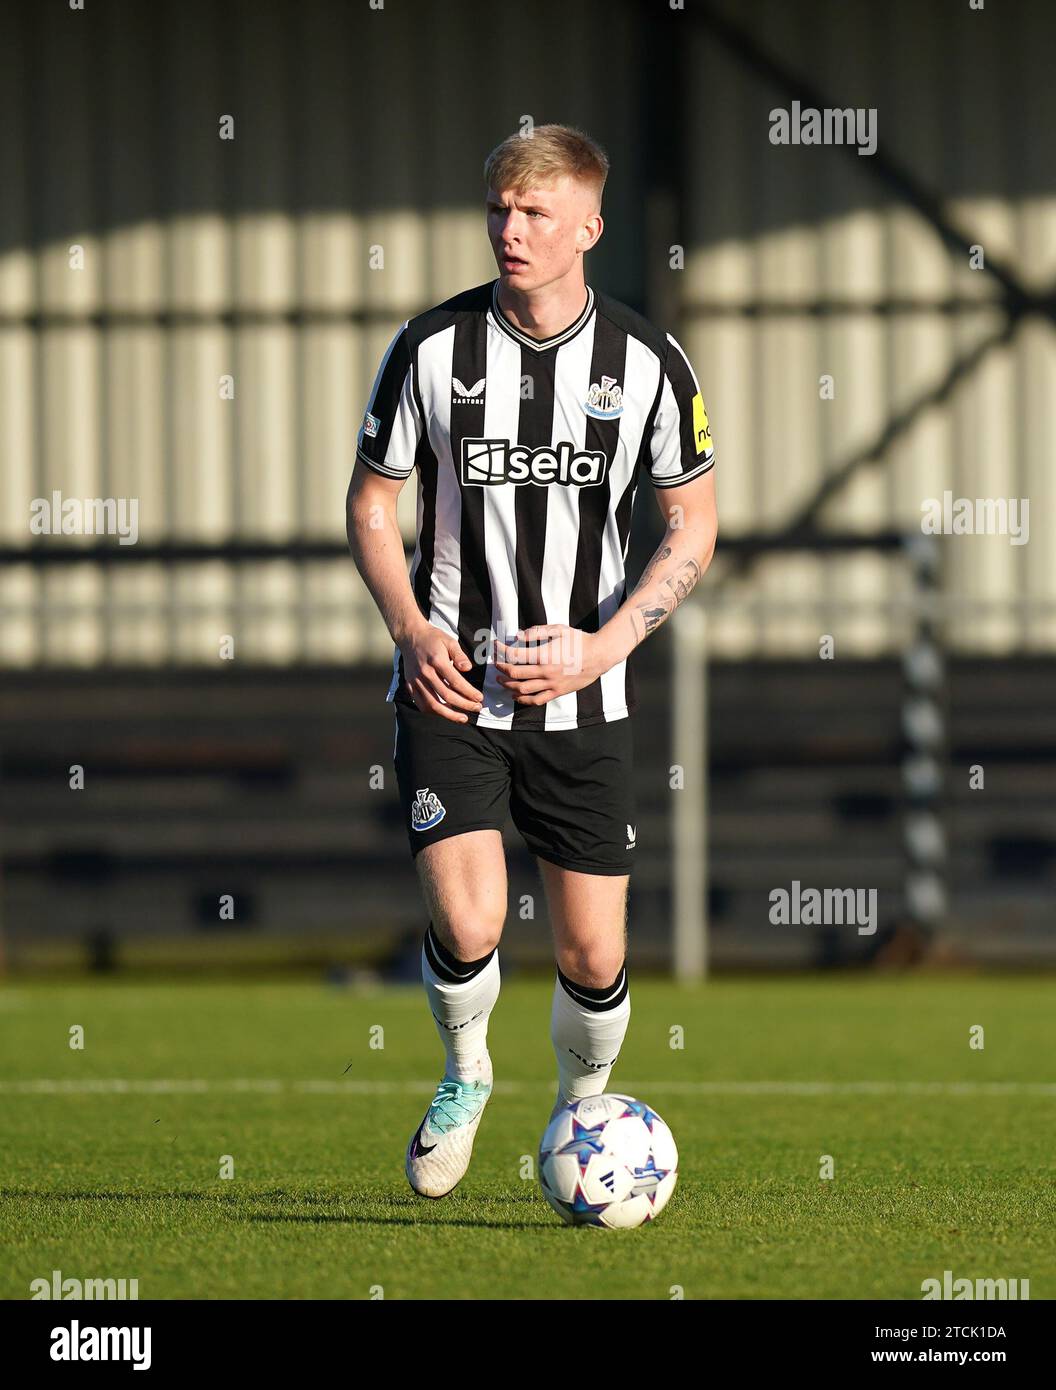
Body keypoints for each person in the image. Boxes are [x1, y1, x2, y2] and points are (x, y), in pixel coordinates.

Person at [347, 124, 717, 1200]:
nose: (512, 231)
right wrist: (411, 630)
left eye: (537, 214)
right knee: (468, 921)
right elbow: (373, 505)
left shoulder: (647, 362)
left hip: (583, 702)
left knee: (594, 958)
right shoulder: (429, 349)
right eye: (501, 211)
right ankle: (466, 1072)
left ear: (588, 228)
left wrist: (605, 644)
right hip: (449, 684)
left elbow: (691, 526)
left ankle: (579, 1112)